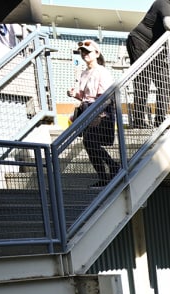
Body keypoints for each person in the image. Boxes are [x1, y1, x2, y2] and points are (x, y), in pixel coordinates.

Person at [125, 0, 170, 127]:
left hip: (159, 49)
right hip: (141, 42)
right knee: (143, 80)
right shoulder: (163, 3)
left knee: (165, 82)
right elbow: (169, 25)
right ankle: (139, 120)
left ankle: (160, 119)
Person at [68, 40, 118, 187]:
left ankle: (111, 169)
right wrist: (74, 94)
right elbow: (84, 95)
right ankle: (107, 172)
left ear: (97, 53)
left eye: (87, 52)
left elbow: (104, 97)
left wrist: (98, 114)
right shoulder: (84, 72)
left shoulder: (102, 71)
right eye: (82, 52)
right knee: (90, 143)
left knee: (89, 141)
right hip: (87, 109)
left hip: (100, 111)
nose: (84, 55)